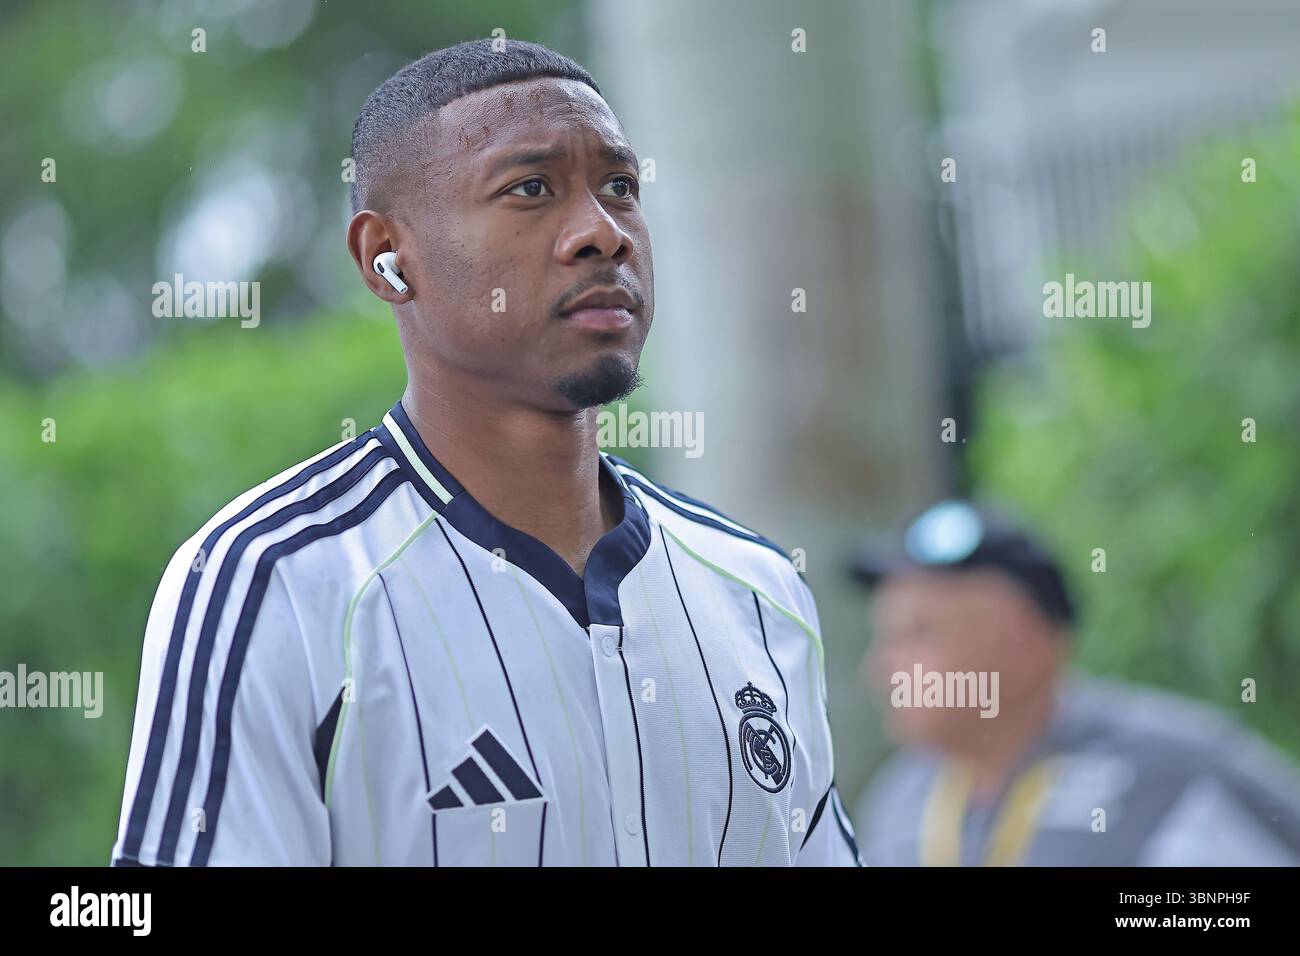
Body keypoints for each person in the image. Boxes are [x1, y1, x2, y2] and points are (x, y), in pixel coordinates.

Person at [110, 39, 860, 867]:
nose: (602, 233)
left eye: (620, 187)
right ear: (386, 259)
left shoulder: (756, 589)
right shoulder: (271, 581)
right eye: (531, 189)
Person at [850, 500, 1300, 866]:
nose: (881, 667)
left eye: (916, 634)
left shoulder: (1173, 769)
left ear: (1021, 642)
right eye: (884, 639)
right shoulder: (900, 798)